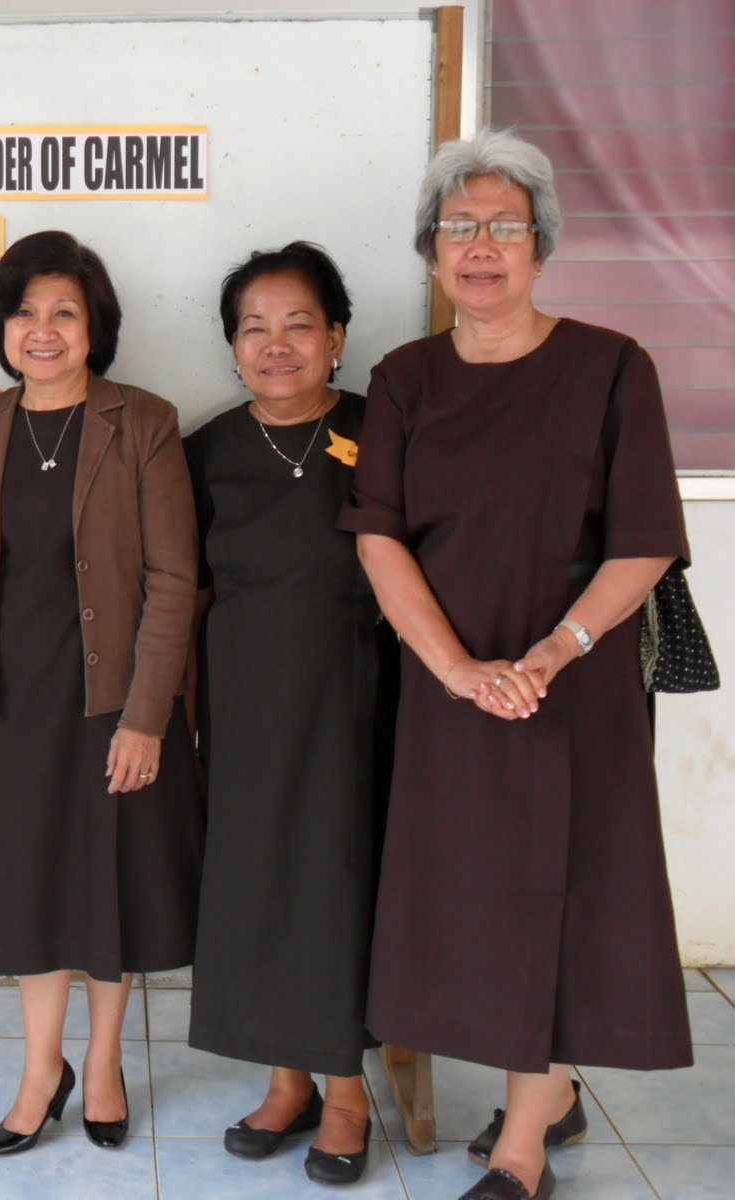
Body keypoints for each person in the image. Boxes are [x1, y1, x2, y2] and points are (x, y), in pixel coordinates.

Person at [339, 129, 692, 1200]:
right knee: (474, 896)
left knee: (565, 893)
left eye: (502, 226)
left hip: (573, 683)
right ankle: (553, 1088)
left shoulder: (610, 365)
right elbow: (378, 535)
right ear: (430, 250)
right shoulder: (405, 377)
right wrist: (452, 669)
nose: (479, 246)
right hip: (449, 685)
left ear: (540, 247)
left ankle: (522, 1142)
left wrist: (547, 654)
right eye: (458, 227)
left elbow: (642, 541)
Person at [0, 230, 201, 1155]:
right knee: (26, 891)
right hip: (5, 706)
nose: (42, 330)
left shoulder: (143, 422)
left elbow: (174, 582)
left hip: (109, 703)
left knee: (105, 889)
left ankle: (107, 1060)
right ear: (2, 327)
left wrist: (147, 717)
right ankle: (42, 1070)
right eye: (25, 313)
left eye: (64, 312)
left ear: (96, 326)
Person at [185, 242, 397, 1187]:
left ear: (337, 337)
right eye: (254, 328)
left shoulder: (386, 432)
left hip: (358, 702)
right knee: (255, 883)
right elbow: (177, 589)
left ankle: (346, 1090)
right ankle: (287, 1080)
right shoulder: (205, 452)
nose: (276, 345)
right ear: (233, 347)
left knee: (336, 884)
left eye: (298, 323)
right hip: (242, 703)